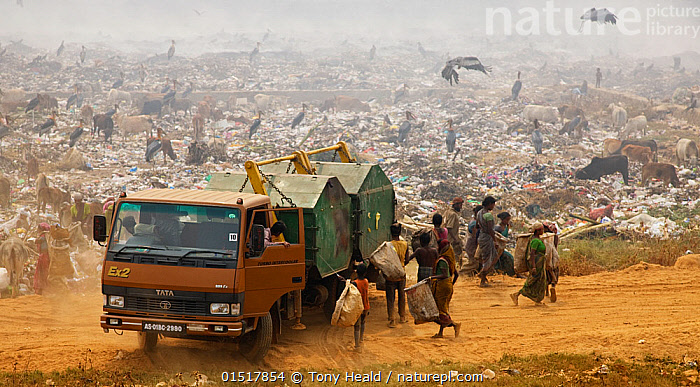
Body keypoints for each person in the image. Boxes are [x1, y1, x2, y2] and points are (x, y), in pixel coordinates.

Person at [511, 223, 548, 306]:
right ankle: (517, 294)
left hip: (540, 263)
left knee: (540, 281)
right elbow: (532, 254)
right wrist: (534, 267)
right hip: (537, 264)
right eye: (541, 229)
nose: (543, 231)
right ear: (537, 231)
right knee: (533, 281)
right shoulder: (535, 241)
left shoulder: (537, 239)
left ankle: (537, 300)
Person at [430, 240, 461, 338]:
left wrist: (432, 278)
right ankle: (441, 333)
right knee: (443, 309)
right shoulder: (450, 260)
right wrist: (451, 284)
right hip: (447, 285)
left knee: (440, 309)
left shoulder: (442, 260)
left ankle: (454, 324)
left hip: (442, 286)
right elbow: (456, 274)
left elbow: (443, 274)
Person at [386, 223, 408, 327]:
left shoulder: (388, 245)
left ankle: (392, 319)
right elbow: (407, 259)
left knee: (390, 297)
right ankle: (402, 317)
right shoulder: (405, 244)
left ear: (391, 233)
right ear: (400, 232)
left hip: (391, 274)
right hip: (402, 273)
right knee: (401, 295)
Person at [476, 196, 498, 287]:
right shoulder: (488, 215)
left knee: (486, 257)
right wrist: (495, 240)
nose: (493, 206)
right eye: (493, 204)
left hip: (481, 236)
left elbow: (477, 226)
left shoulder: (479, 213)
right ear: (489, 204)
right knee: (488, 259)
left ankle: (483, 276)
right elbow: (490, 230)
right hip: (487, 237)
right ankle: (482, 280)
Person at [461, 205, 483, 275]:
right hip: (472, 245)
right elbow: (475, 236)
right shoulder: (474, 223)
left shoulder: (475, 221)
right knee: (473, 263)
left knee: (474, 262)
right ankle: (461, 273)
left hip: (471, 244)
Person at [352, 263, 370, 351]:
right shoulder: (366, 281)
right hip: (366, 305)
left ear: (356, 272)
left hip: (358, 307)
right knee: (363, 322)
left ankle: (357, 346)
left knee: (356, 326)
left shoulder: (355, 283)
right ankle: (361, 338)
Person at [443, 197, 464, 268]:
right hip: (451, 239)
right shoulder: (453, 214)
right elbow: (449, 228)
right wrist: (456, 239)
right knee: (455, 256)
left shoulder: (447, 212)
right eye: (460, 205)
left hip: (446, 238)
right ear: (456, 205)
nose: (461, 207)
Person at [493, 212, 516, 277]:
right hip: (497, 247)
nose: (507, 221)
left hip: (502, 247)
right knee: (509, 257)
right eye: (506, 220)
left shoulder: (506, 227)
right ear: (502, 219)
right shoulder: (498, 228)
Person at [543, 221, 560, 302]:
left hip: (546, 258)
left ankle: (546, 293)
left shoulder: (543, 237)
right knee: (554, 274)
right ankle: (553, 287)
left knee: (546, 275)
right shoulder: (554, 237)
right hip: (554, 258)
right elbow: (555, 248)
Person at [33, 223, 51, 295]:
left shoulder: (43, 237)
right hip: (44, 256)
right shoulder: (47, 236)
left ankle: (43, 288)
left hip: (44, 257)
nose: (38, 230)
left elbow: (36, 241)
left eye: (39, 229)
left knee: (42, 272)